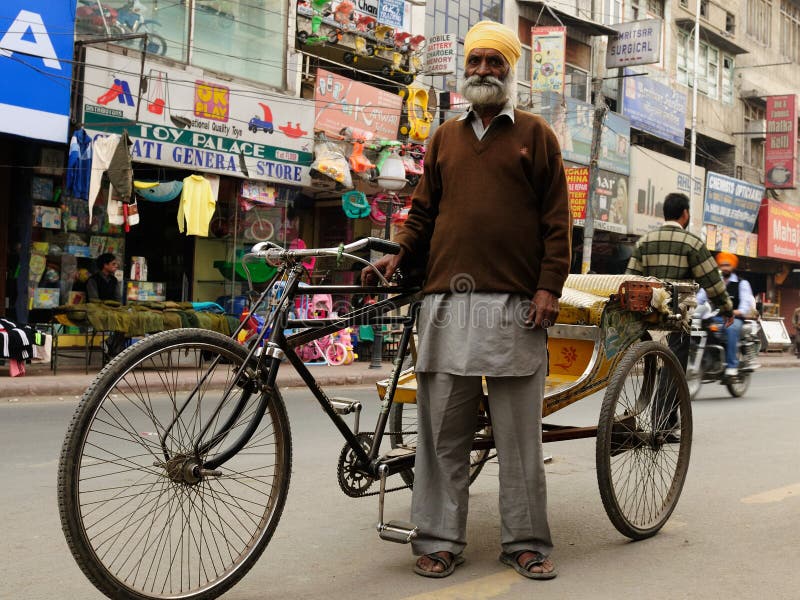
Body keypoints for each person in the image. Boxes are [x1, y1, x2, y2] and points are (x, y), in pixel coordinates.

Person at [362, 20, 571, 581]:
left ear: (510, 69)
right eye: (475, 61)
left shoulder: (536, 135)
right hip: (446, 306)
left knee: (518, 438)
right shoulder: (444, 138)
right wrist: (401, 254)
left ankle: (525, 541)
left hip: (515, 306)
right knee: (440, 436)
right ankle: (438, 539)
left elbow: (557, 222)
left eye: (494, 62)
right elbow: (423, 214)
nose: (482, 71)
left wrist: (550, 287)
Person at [626, 192, 734, 374]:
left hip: (648, 317)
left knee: (654, 366)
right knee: (674, 368)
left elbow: (629, 280)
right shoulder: (692, 243)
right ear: (685, 214)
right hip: (678, 318)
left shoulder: (644, 242)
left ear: (665, 214)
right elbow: (712, 281)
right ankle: (667, 401)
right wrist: (726, 308)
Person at [695, 252, 756, 376]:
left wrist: (731, 311)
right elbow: (699, 299)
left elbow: (744, 307)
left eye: (727, 265)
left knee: (731, 328)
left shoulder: (742, 283)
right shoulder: (713, 283)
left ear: (733, 266)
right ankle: (707, 360)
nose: (724, 268)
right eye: (721, 265)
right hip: (713, 317)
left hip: (734, 318)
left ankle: (732, 365)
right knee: (696, 329)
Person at [86, 253, 126, 357]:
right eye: (113, 264)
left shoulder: (114, 280)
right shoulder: (93, 280)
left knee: (127, 321)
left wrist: (119, 309)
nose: (116, 266)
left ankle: (109, 344)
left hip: (113, 311)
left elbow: (118, 299)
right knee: (119, 322)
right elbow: (94, 300)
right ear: (105, 265)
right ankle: (111, 350)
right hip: (98, 312)